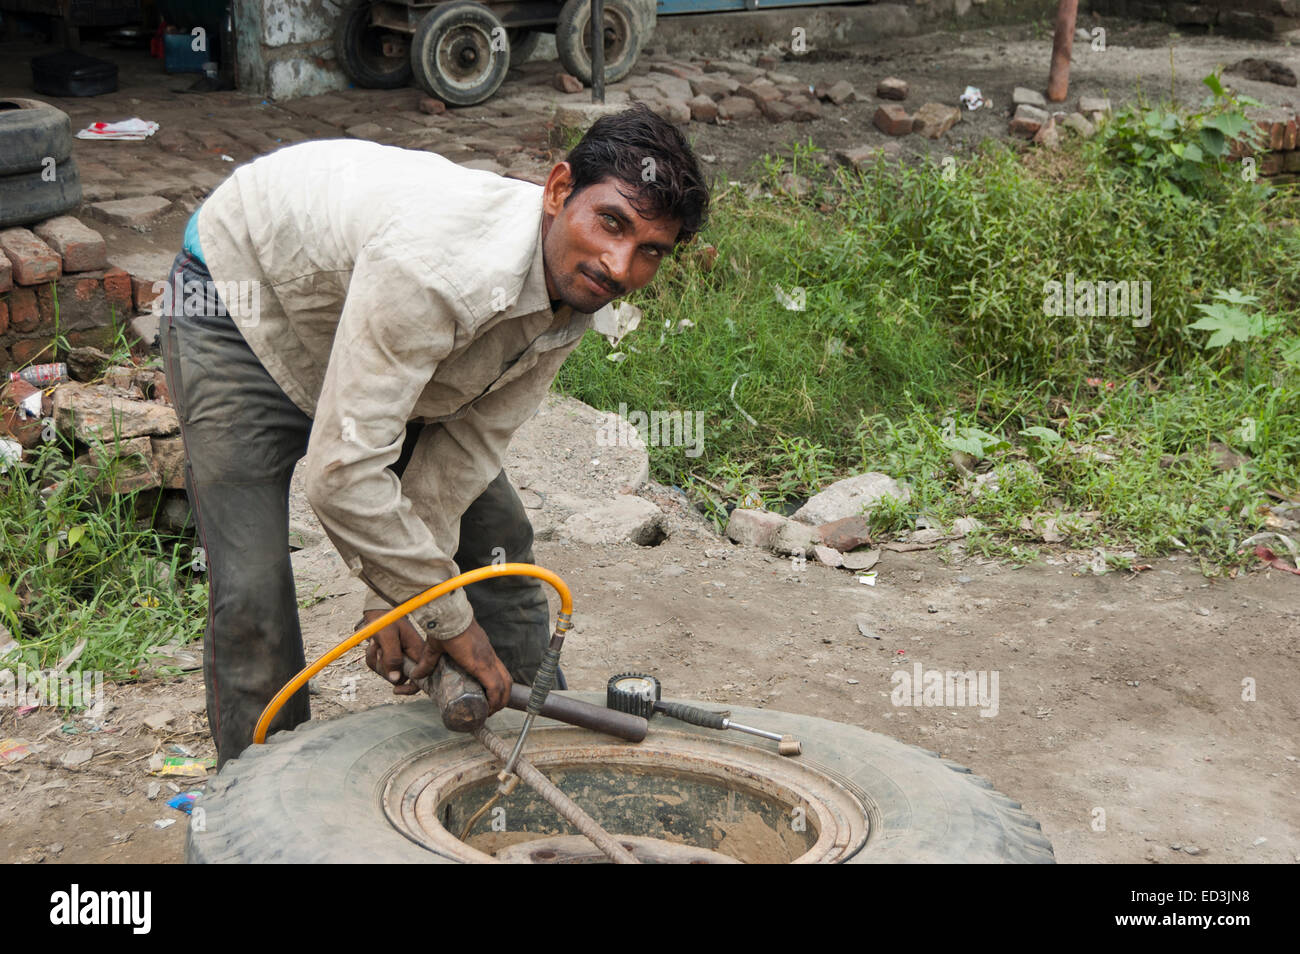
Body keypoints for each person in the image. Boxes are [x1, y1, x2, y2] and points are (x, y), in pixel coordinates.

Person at [159, 104, 709, 768]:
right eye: (611, 223)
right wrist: (450, 620)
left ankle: (542, 766)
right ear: (559, 191)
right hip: (242, 303)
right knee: (253, 595)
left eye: (650, 250)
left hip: (375, 327)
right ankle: (266, 809)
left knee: (499, 543)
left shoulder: (575, 290)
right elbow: (341, 477)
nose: (619, 266)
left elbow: (462, 453)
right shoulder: (437, 271)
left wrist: (398, 601)